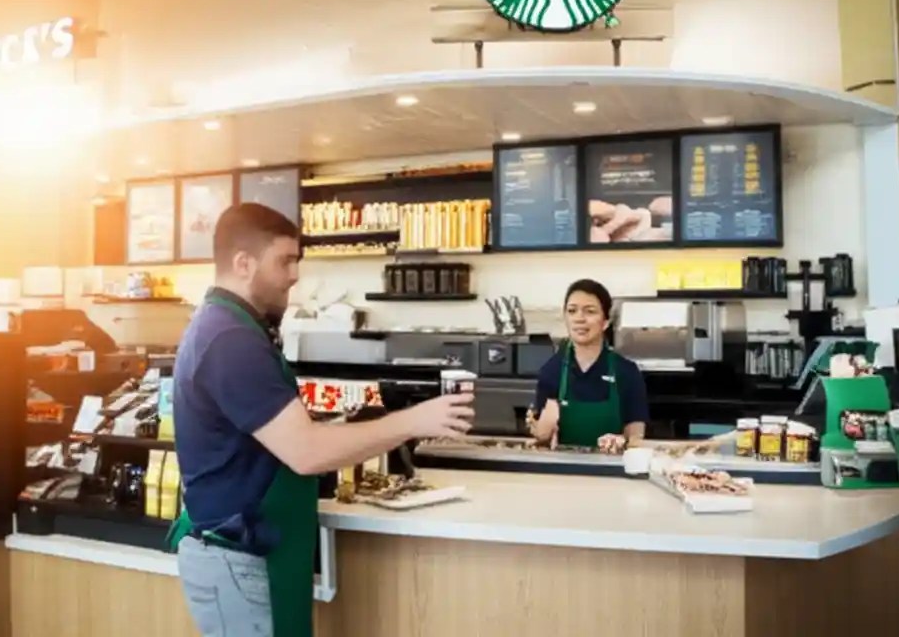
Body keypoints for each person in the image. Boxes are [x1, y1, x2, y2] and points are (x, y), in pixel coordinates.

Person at [169, 203, 475, 637]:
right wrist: (413, 421)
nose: (295, 275)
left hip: (248, 552)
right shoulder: (230, 339)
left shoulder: (227, 326)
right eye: (285, 261)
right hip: (240, 559)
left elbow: (283, 439)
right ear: (243, 263)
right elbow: (307, 452)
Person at [527, 279, 649, 450]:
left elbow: (636, 436)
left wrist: (622, 441)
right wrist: (543, 432)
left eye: (589, 311)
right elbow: (540, 437)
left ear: (605, 321)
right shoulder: (551, 371)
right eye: (572, 311)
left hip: (613, 471)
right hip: (561, 470)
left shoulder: (626, 372)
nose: (579, 319)